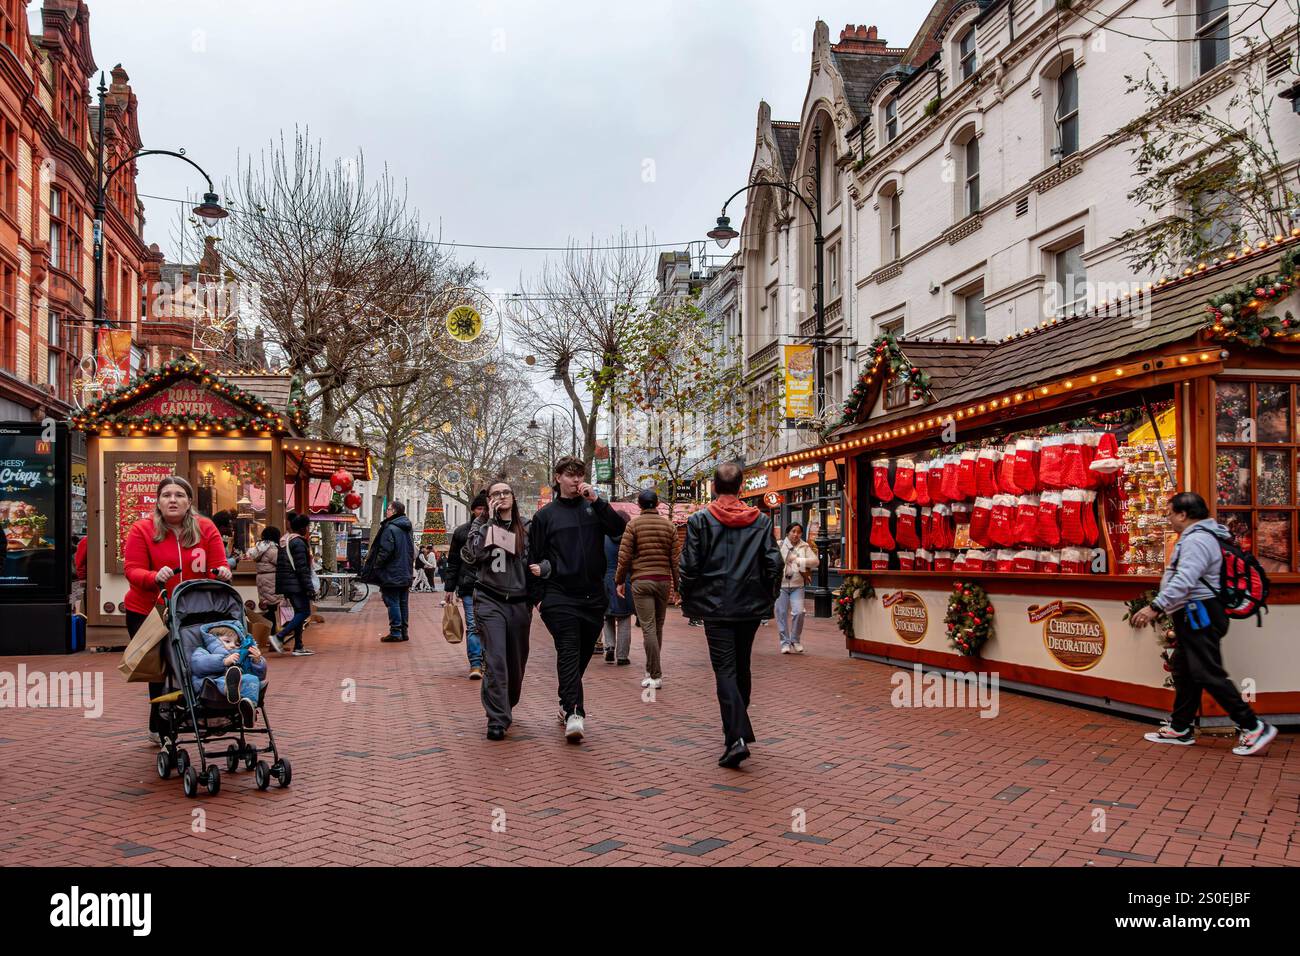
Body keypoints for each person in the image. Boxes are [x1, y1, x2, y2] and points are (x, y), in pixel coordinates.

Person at [1131, 492, 1277, 756]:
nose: (1168, 518)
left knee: (1207, 672)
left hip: (1199, 613)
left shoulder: (1197, 540)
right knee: (1185, 668)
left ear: (1183, 514)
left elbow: (1185, 580)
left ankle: (1253, 726)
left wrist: (1155, 607)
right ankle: (1181, 727)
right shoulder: (1201, 536)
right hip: (1195, 612)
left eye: (1170, 513)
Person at [680, 462, 781, 769]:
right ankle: (734, 731)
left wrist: (689, 599)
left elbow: (689, 566)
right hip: (748, 606)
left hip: (715, 606)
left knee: (725, 670)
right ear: (741, 487)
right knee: (741, 665)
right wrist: (768, 597)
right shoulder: (760, 522)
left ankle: (736, 736)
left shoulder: (699, 520)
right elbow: (774, 563)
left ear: (713, 486)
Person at [122, 475, 232, 744]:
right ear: (158, 502)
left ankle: (200, 715)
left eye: (179, 495)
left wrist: (224, 572)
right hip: (151, 610)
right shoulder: (142, 529)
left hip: (193, 612)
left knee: (194, 663)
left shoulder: (206, 528)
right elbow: (132, 570)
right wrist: (153, 577)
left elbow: (219, 564)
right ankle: (159, 726)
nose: (173, 499)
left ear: (190, 501)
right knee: (160, 670)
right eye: (167, 495)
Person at [529, 456, 627, 742]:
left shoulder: (593, 508)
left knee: (581, 655)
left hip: (593, 597)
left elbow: (617, 529)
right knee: (569, 649)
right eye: (570, 475)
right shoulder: (545, 517)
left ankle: (564, 702)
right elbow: (534, 557)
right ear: (558, 477)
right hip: (559, 596)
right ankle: (575, 712)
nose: (576, 481)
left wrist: (597, 501)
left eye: (580, 475)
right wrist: (540, 599)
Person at [461, 481, 542, 740]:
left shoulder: (528, 527)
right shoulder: (480, 526)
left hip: (519, 603)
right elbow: (472, 554)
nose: (502, 497)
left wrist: (544, 574)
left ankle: (507, 702)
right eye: (496, 494)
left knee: (515, 665)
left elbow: (539, 558)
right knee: (495, 662)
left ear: (514, 497)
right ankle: (496, 718)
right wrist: (489, 523)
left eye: (506, 492)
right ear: (489, 500)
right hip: (489, 600)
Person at [614, 488, 680, 689]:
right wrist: (678, 587)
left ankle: (654, 673)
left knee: (648, 627)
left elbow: (624, 557)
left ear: (639, 505)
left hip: (641, 580)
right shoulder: (670, 527)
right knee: (657, 626)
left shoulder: (633, 526)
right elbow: (675, 560)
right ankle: (652, 670)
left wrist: (619, 580)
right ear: (658, 503)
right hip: (663, 581)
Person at [189, 622, 267, 728]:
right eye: (227, 641)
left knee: (252, 678)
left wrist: (257, 661)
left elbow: (260, 676)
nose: (232, 645)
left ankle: (249, 709)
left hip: (237, 686)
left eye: (237, 644)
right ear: (214, 639)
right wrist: (223, 661)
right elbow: (198, 664)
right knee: (221, 681)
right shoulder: (203, 651)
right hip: (210, 686)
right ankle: (229, 687)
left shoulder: (239, 656)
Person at [444, 492, 488, 679]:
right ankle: (476, 663)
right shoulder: (461, 532)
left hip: (491, 587)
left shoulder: (497, 530)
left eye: (485, 509)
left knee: (489, 626)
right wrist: (449, 588)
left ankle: (486, 660)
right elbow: (453, 561)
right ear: (472, 510)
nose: (482, 512)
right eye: (479, 508)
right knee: (472, 626)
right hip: (469, 585)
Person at [368, 501, 416, 643]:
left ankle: (396, 631)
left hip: (392, 572)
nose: (386, 511)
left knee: (392, 601)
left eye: (388, 509)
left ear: (394, 511)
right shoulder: (407, 528)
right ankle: (404, 631)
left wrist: (376, 565)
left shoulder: (390, 528)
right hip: (405, 571)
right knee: (403, 602)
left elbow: (385, 550)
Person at [270, 513, 315, 656]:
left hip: (287, 583)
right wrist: (309, 588)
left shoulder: (286, 541)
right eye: (307, 526)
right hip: (296, 584)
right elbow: (302, 568)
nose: (308, 529)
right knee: (304, 612)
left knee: (298, 613)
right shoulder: (299, 543)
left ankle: (298, 645)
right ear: (302, 528)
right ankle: (279, 637)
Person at [775, 523, 817, 655]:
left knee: (799, 612)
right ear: (788, 532)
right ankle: (784, 643)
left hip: (797, 585)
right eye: (793, 531)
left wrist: (797, 560)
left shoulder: (804, 546)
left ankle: (795, 640)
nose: (796, 534)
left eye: (798, 532)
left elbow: (815, 562)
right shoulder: (779, 545)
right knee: (781, 614)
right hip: (780, 585)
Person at [602, 534, 634, 667]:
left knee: (607, 616)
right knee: (624, 618)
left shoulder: (604, 539)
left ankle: (609, 646)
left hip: (606, 579)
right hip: (624, 580)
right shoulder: (629, 539)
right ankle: (622, 656)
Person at [251, 526, 282, 625]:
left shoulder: (260, 547)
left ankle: (268, 630)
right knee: (273, 608)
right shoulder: (271, 549)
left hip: (262, 580)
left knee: (270, 607)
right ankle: (266, 629)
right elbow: (282, 563)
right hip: (271, 581)